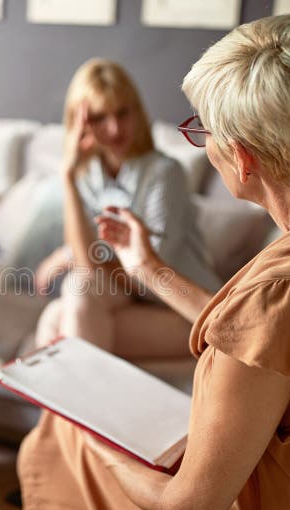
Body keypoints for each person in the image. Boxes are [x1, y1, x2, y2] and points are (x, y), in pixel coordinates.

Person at [18, 14, 290, 510]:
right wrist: (147, 267)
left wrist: (92, 435)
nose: (203, 143)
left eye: (202, 130)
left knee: (56, 442)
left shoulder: (278, 299)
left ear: (241, 158)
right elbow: (261, 339)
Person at [34, 58, 221, 360]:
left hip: (184, 310)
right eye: (98, 117)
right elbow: (88, 263)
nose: (115, 128)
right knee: (61, 309)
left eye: (122, 113)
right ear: (80, 123)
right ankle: (64, 408)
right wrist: (67, 176)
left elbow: (147, 270)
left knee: (68, 308)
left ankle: (63, 406)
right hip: (130, 303)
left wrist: (68, 255)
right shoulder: (87, 176)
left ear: (137, 111)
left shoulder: (165, 172)